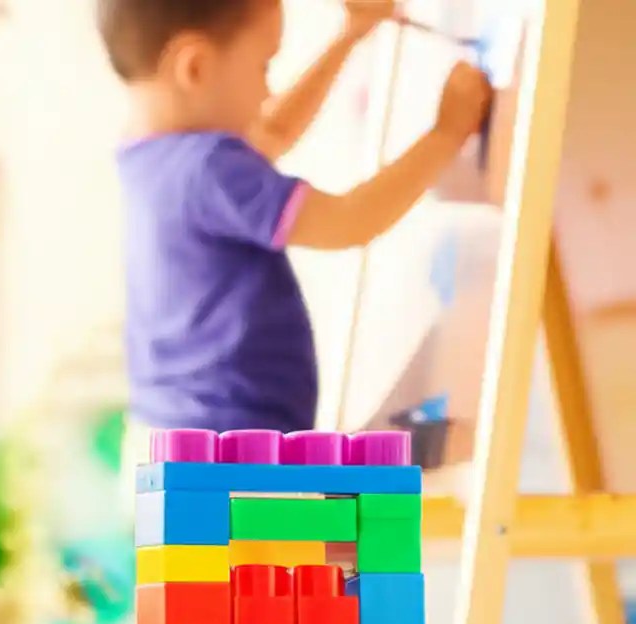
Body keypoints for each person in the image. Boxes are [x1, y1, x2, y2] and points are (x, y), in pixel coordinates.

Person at [97, 0, 493, 470]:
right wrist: (446, 134)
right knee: (435, 452)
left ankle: (393, 459)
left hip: (181, 449)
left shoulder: (154, 157)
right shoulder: (206, 170)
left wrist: (351, 35)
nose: (267, 91)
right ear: (197, 67)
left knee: (422, 448)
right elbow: (349, 220)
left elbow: (273, 131)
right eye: (265, 65)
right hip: (227, 461)